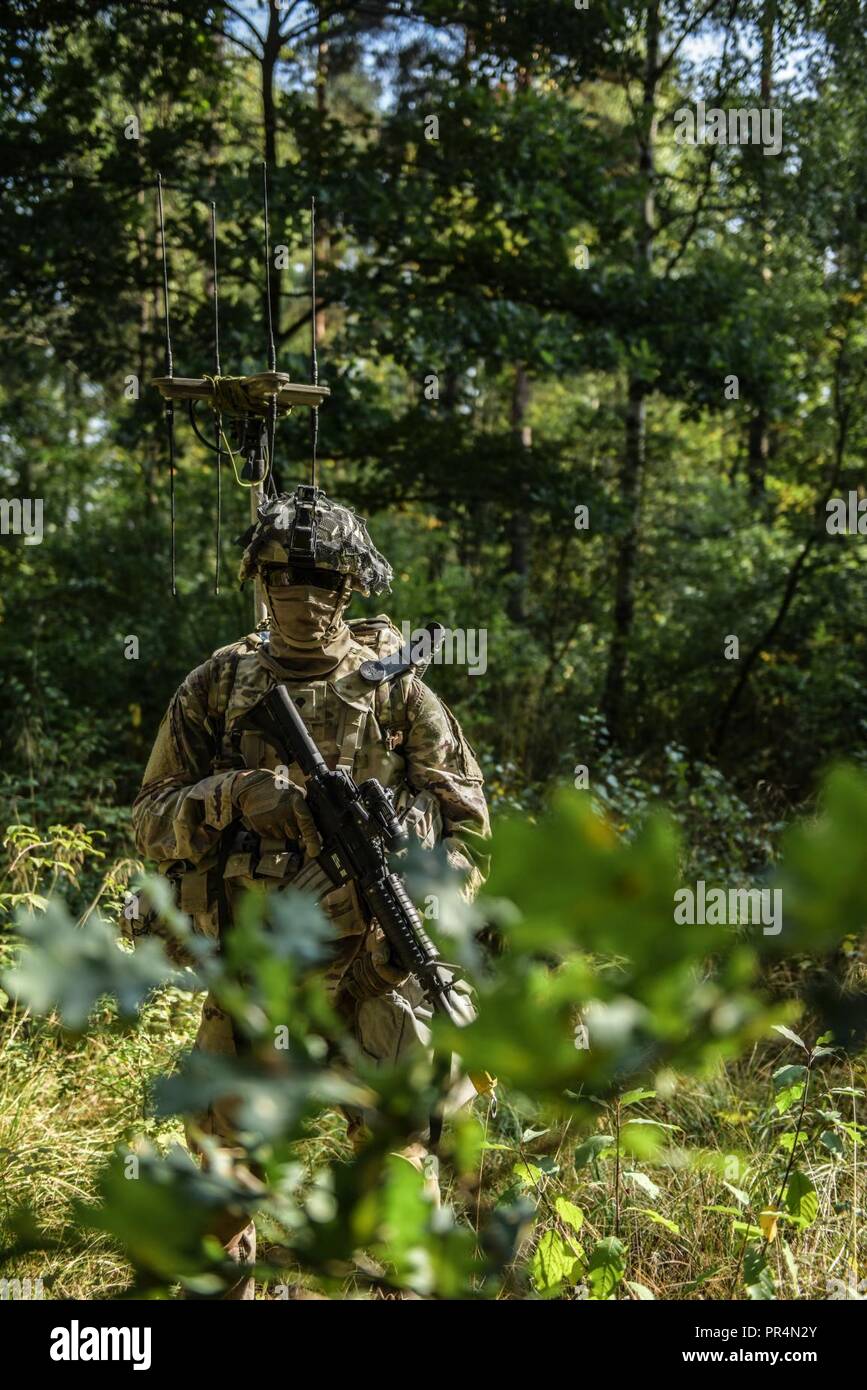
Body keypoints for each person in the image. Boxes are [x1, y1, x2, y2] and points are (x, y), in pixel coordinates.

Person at [131, 486, 491, 1297]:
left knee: (400, 1189)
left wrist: (426, 900)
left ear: (352, 586)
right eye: (284, 577)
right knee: (223, 1186)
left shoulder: (398, 692)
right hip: (252, 975)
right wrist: (232, 795)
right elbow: (150, 820)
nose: (302, 596)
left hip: (374, 977)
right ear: (259, 581)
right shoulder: (216, 687)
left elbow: (468, 830)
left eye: (322, 579)